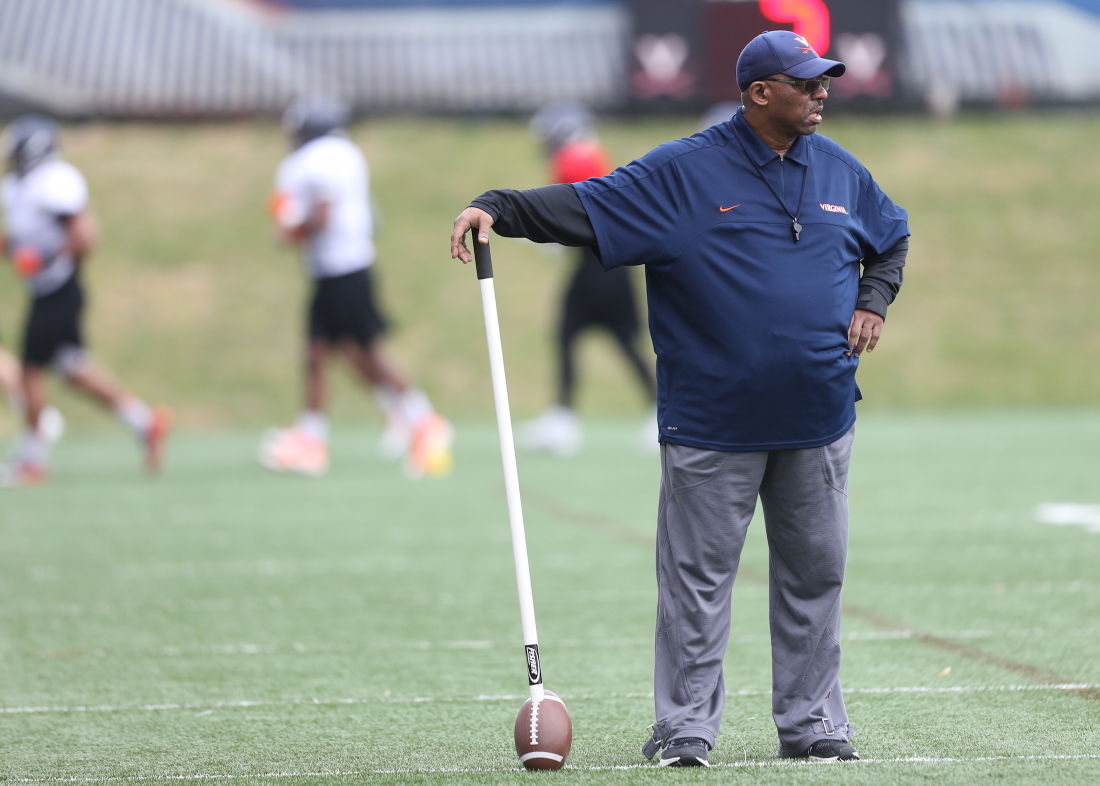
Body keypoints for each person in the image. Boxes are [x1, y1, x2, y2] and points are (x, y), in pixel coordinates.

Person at [451, 30, 909, 766]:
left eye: (824, 80)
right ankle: (684, 727)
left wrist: (874, 301)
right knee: (697, 584)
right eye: (806, 82)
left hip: (819, 418)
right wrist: (498, 207)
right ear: (760, 92)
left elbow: (890, 238)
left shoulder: (843, 172)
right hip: (712, 423)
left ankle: (815, 723)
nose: (822, 91)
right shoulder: (682, 172)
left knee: (816, 577)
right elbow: (584, 208)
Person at [260, 96, 453, 478]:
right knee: (322, 352)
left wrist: (292, 231)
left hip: (340, 268)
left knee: (363, 352)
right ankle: (313, 436)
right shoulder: (346, 153)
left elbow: (322, 214)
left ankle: (424, 421)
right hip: (347, 265)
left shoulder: (313, 161)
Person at [0, 113, 171, 487]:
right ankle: (145, 422)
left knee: (30, 371)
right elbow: (16, 241)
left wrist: (43, 259)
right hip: (47, 289)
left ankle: (32, 458)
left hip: (58, 289)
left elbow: (85, 237)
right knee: (75, 371)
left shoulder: (54, 182)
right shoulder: (18, 187)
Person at [518, 101, 656, 456]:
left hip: (599, 264)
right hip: (607, 262)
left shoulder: (576, 158)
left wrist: (549, 235)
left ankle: (565, 419)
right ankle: (567, 417)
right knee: (603, 339)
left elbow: (577, 213)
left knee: (581, 335)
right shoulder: (588, 154)